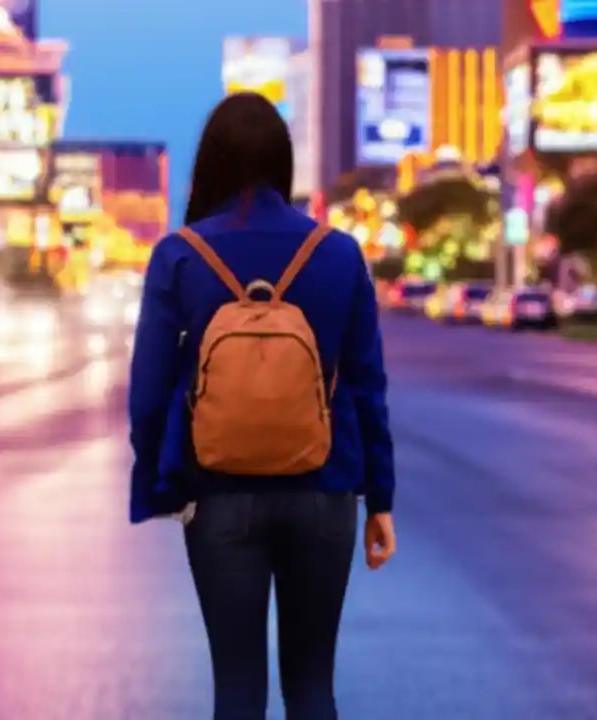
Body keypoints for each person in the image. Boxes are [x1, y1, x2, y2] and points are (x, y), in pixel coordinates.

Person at [128, 92, 397, 720]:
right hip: (325, 491)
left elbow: (147, 393)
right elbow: (367, 385)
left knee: (238, 689)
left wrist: (164, 483)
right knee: (311, 688)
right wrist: (379, 498)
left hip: (218, 495)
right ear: (284, 161)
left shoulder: (179, 255)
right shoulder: (339, 253)